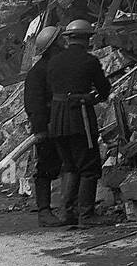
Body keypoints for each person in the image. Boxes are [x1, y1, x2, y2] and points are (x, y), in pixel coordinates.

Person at [45, 19, 111, 228]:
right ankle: (86, 215)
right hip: (79, 118)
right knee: (89, 167)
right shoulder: (89, 61)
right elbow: (104, 89)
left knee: (70, 166)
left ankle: (67, 213)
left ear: (68, 39)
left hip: (56, 120)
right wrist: (92, 98)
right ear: (86, 39)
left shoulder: (54, 61)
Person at [22, 24, 65, 227]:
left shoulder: (57, 68)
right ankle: (44, 211)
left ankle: (68, 209)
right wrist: (41, 129)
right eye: (59, 43)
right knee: (45, 168)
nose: (63, 46)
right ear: (52, 47)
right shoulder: (37, 73)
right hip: (47, 128)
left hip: (63, 125)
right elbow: (33, 104)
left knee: (67, 166)